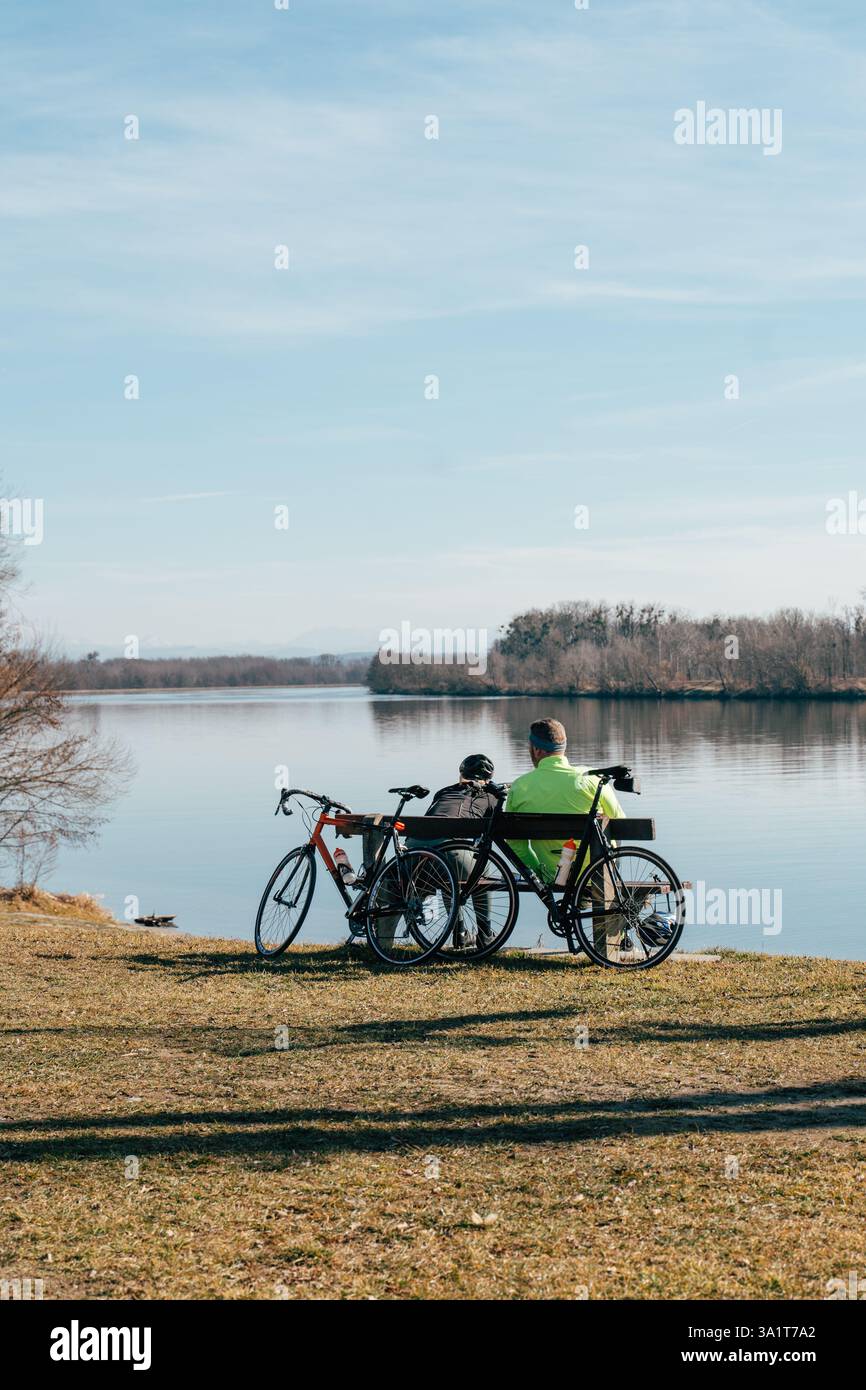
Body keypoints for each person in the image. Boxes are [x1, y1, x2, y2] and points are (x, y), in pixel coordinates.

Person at [505, 717, 625, 882]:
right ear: (563, 748)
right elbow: (621, 824)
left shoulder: (519, 787)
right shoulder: (593, 779)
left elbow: (515, 844)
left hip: (552, 876)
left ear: (537, 750)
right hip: (598, 876)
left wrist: (538, 873)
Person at [407, 753, 499, 949]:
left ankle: (459, 932)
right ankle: (486, 934)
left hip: (413, 853)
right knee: (479, 865)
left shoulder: (443, 792)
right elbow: (487, 834)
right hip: (450, 856)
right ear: (488, 778)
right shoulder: (491, 796)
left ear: (461, 774)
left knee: (448, 867)